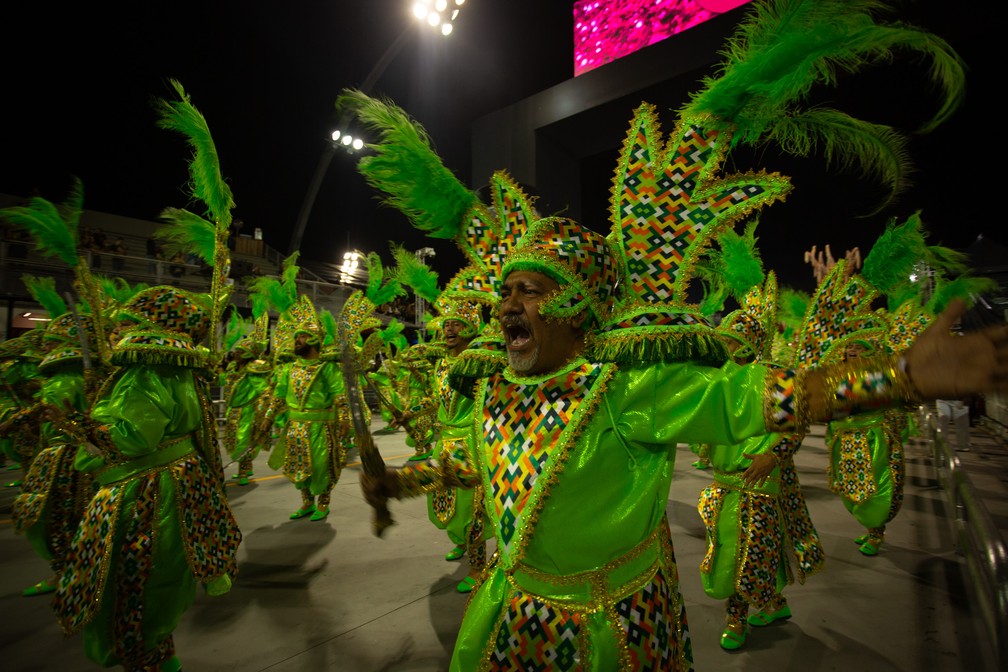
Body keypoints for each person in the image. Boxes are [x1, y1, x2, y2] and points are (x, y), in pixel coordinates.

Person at [45, 285, 241, 672]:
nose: (115, 333)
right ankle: (157, 653)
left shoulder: (143, 374)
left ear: (145, 328)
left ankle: (151, 656)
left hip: (147, 489)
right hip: (181, 480)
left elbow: (131, 440)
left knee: (137, 583)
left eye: (125, 325)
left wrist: (79, 425)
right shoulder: (176, 372)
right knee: (160, 578)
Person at [261, 295, 351, 521]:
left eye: (301, 336)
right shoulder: (289, 369)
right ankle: (307, 503)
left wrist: (344, 419)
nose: (297, 340)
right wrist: (268, 418)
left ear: (313, 340)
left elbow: (340, 395)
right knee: (298, 468)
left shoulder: (327, 368)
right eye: (296, 336)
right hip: (296, 427)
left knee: (322, 466)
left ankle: (323, 502)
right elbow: (278, 397)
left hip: (322, 426)